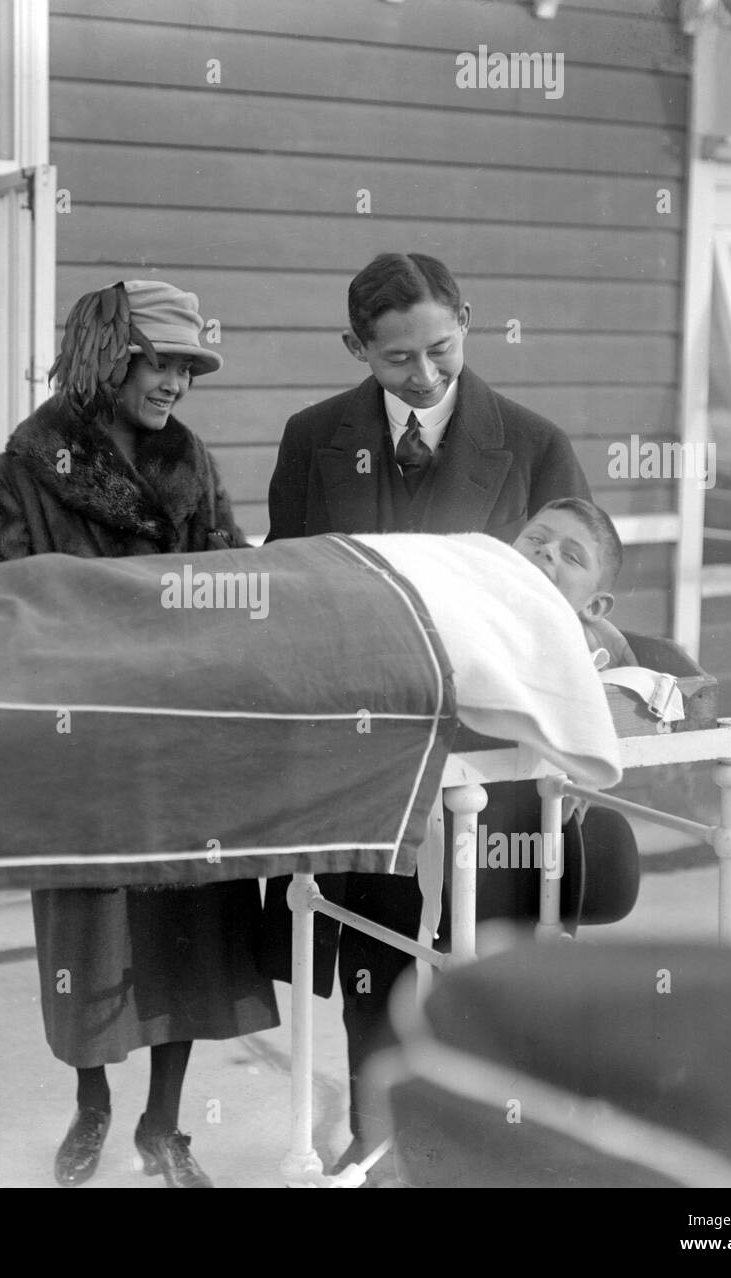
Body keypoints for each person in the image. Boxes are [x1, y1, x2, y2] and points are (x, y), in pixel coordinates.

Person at [259, 251, 623, 1174]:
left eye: (442, 350)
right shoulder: (312, 438)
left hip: (493, 771)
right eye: (396, 360)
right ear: (356, 348)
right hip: (375, 756)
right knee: (373, 962)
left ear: (467, 318)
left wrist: (578, 737)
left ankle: (493, 1151)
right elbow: (290, 586)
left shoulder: (533, 444)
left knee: (488, 960)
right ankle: (378, 1143)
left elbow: (572, 611)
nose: (423, 376)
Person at [0, 279, 279, 1188]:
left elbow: (234, 588)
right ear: (110, 353)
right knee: (89, 937)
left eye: (187, 365)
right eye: (161, 359)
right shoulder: (22, 473)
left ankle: (164, 1125)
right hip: (83, 743)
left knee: (192, 926)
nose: (176, 381)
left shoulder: (194, 464)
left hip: (183, 741)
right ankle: (94, 1101)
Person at [513, 497, 639, 669]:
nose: (548, 549)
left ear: (594, 606)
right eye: (536, 539)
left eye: (571, 556)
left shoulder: (580, 666)